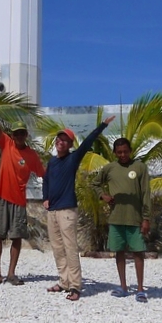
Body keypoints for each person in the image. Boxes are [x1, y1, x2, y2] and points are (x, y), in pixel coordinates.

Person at [0, 89, 45, 286]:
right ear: (13, 135)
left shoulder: (32, 156)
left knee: (16, 237)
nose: (19, 136)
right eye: (16, 133)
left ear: (26, 135)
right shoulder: (7, 144)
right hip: (2, 197)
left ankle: (12, 273)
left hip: (19, 201)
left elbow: (45, 174)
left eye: (22, 133)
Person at [42, 116, 116, 301]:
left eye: (65, 140)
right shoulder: (52, 162)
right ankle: (64, 281)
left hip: (67, 210)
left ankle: (75, 286)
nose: (61, 142)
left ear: (69, 145)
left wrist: (103, 125)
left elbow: (89, 141)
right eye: (59, 139)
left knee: (70, 248)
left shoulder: (72, 159)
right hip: (52, 211)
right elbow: (46, 180)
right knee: (58, 248)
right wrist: (45, 198)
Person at [97, 137, 152, 302]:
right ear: (114, 152)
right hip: (116, 219)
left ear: (131, 150)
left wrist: (146, 218)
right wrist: (103, 196)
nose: (123, 155)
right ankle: (123, 286)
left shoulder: (140, 167)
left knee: (138, 253)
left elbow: (146, 194)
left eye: (125, 151)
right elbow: (94, 184)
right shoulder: (109, 168)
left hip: (135, 219)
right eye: (119, 152)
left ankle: (141, 289)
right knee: (119, 252)